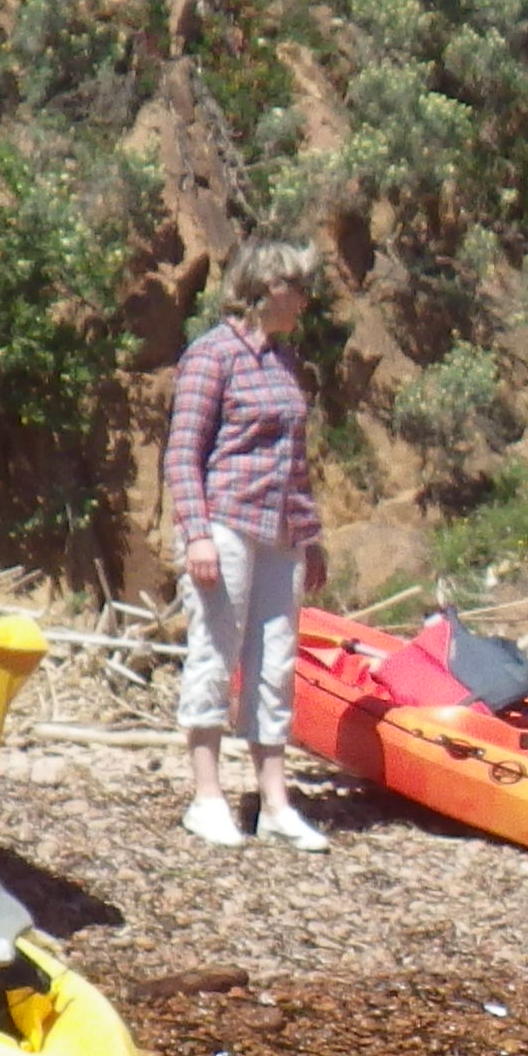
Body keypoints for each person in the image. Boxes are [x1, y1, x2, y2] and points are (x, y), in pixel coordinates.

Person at [166, 239, 329, 852]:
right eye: (297, 287)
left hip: (280, 532)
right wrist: (197, 534)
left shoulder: (285, 362)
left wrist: (311, 537)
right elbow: (183, 453)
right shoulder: (212, 355)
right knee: (215, 651)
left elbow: (297, 464)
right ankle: (207, 798)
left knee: (276, 662)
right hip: (226, 523)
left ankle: (275, 804)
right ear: (265, 289)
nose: (305, 299)